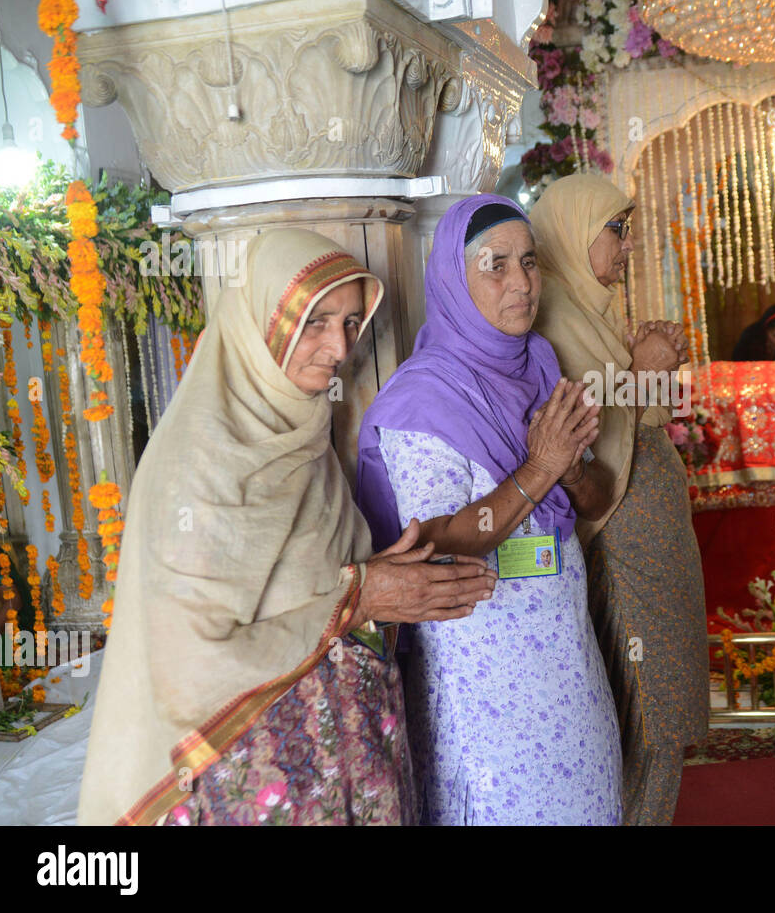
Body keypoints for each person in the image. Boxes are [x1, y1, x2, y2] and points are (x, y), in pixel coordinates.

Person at [78, 229, 496, 826]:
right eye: (317, 321)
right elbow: (189, 660)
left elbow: (323, 575)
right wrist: (359, 598)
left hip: (344, 752)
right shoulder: (196, 461)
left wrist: (383, 580)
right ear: (258, 321)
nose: (338, 347)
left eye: (352, 323)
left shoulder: (304, 434)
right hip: (252, 773)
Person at [355, 195, 622, 825]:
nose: (522, 284)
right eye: (495, 265)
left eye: (528, 262)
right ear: (454, 278)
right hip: (486, 685)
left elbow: (594, 499)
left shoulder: (538, 365)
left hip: (566, 665)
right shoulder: (421, 402)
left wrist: (571, 470)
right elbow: (437, 542)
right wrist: (538, 469)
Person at [530, 173, 710, 825]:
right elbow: (576, 436)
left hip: (649, 554)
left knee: (660, 719)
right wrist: (640, 370)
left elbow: (636, 418)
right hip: (621, 554)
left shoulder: (590, 312)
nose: (626, 246)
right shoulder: (552, 319)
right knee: (645, 714)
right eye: (614, 229)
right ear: (575, 232)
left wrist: (641, 363)